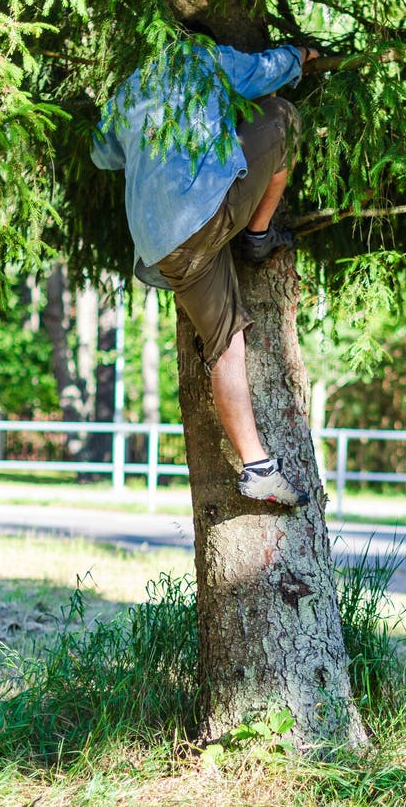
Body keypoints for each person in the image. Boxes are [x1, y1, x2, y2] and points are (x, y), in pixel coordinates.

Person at [91, 37, 319, 507]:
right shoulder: (200, 56)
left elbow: (102, 153)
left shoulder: (130, 90)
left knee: (225, 341)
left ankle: (256, 467)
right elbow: (264, 72)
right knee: (282, 118)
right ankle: (258, 236)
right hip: (206, 212)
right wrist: (301, 55)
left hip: (163, 245)